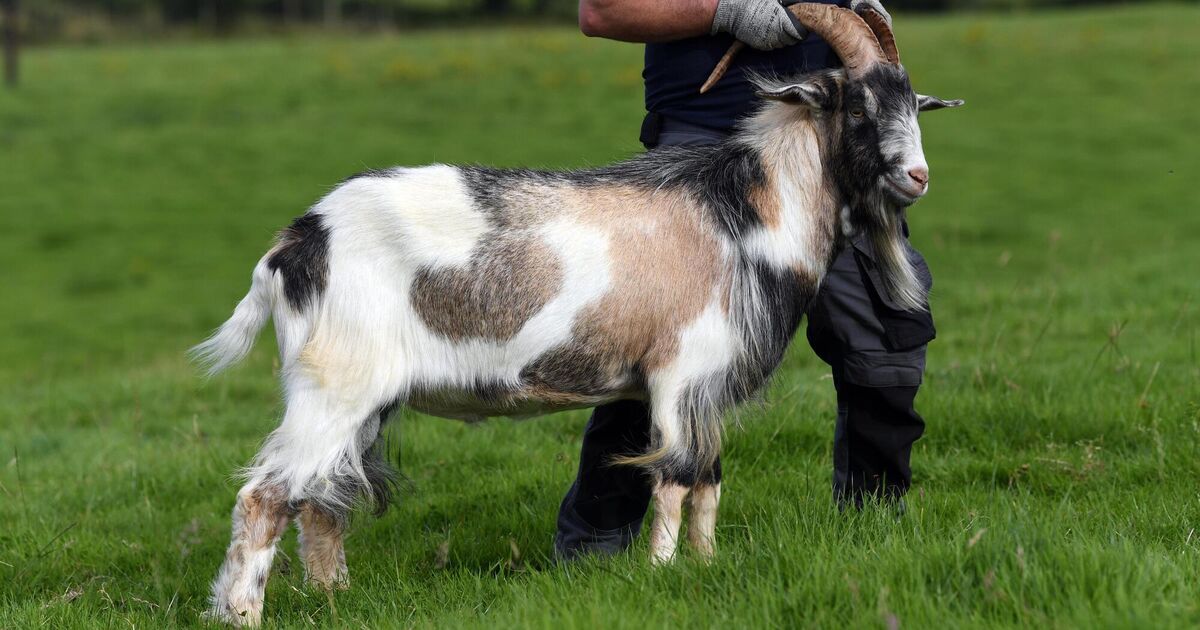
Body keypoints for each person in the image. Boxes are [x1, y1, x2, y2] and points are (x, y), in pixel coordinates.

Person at [555, 0, 936, 560]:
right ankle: (594, 550)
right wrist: (721, 11)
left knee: (884, 336)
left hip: (830, 145)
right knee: (658, 352)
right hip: (700, 142)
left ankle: (872, 534)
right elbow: (603, 12)